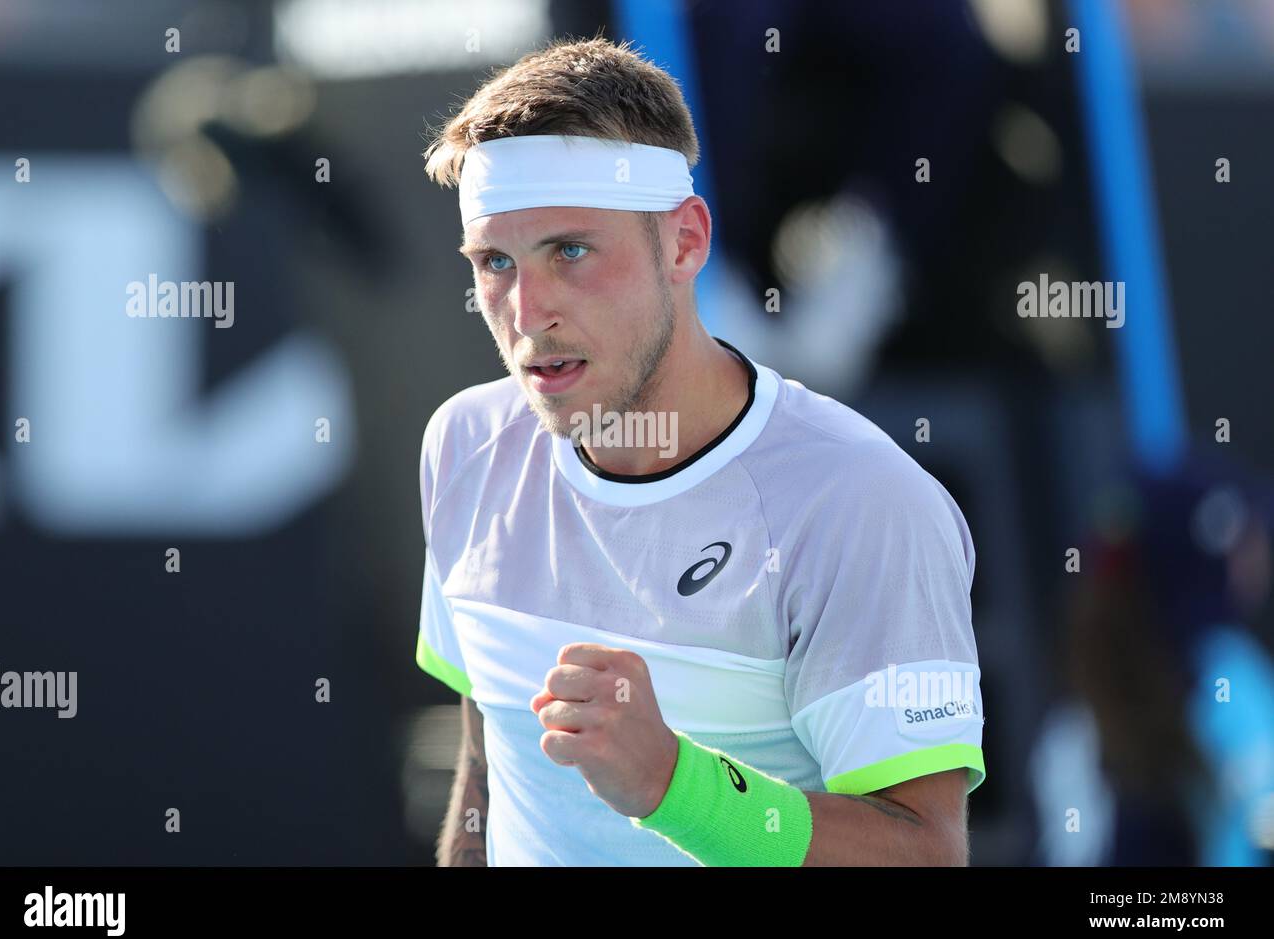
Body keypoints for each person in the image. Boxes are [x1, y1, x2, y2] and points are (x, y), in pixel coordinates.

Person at [415, 36, 984, 866]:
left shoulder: (864, 501)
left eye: (570, 251)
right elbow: (486, 770)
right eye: (495, 262)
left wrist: (674, 786)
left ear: (684, 242)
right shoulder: (463, 444)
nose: (528, 312)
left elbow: (926, 852)